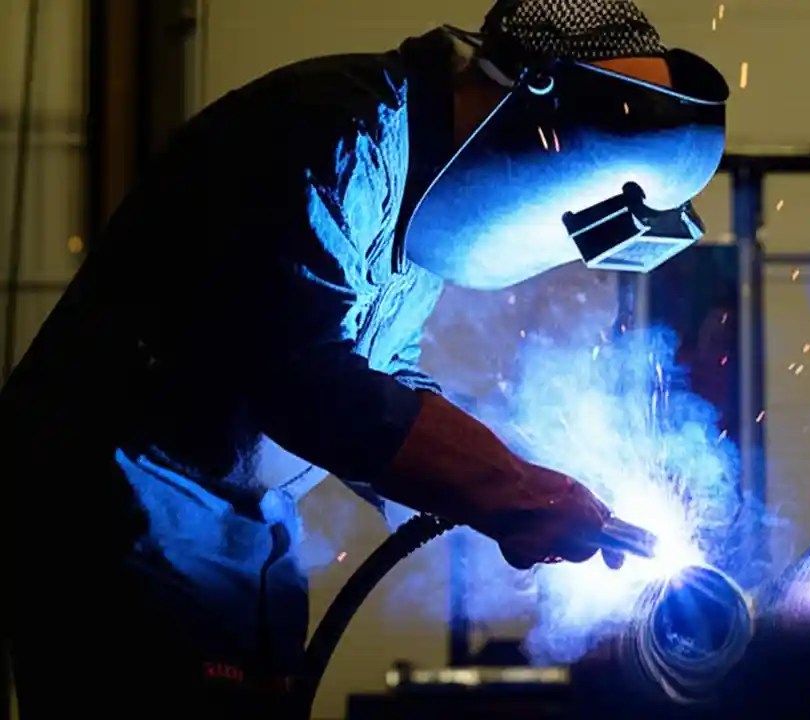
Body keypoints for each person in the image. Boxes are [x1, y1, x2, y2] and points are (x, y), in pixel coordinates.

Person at [0, 0, 728, 716]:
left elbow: (376, 377)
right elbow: (306, 378)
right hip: (118, 516)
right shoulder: (338, 135)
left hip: (239, 542)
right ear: (529, 96)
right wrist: (507, 487)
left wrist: (517, 475)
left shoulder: (419, 193)